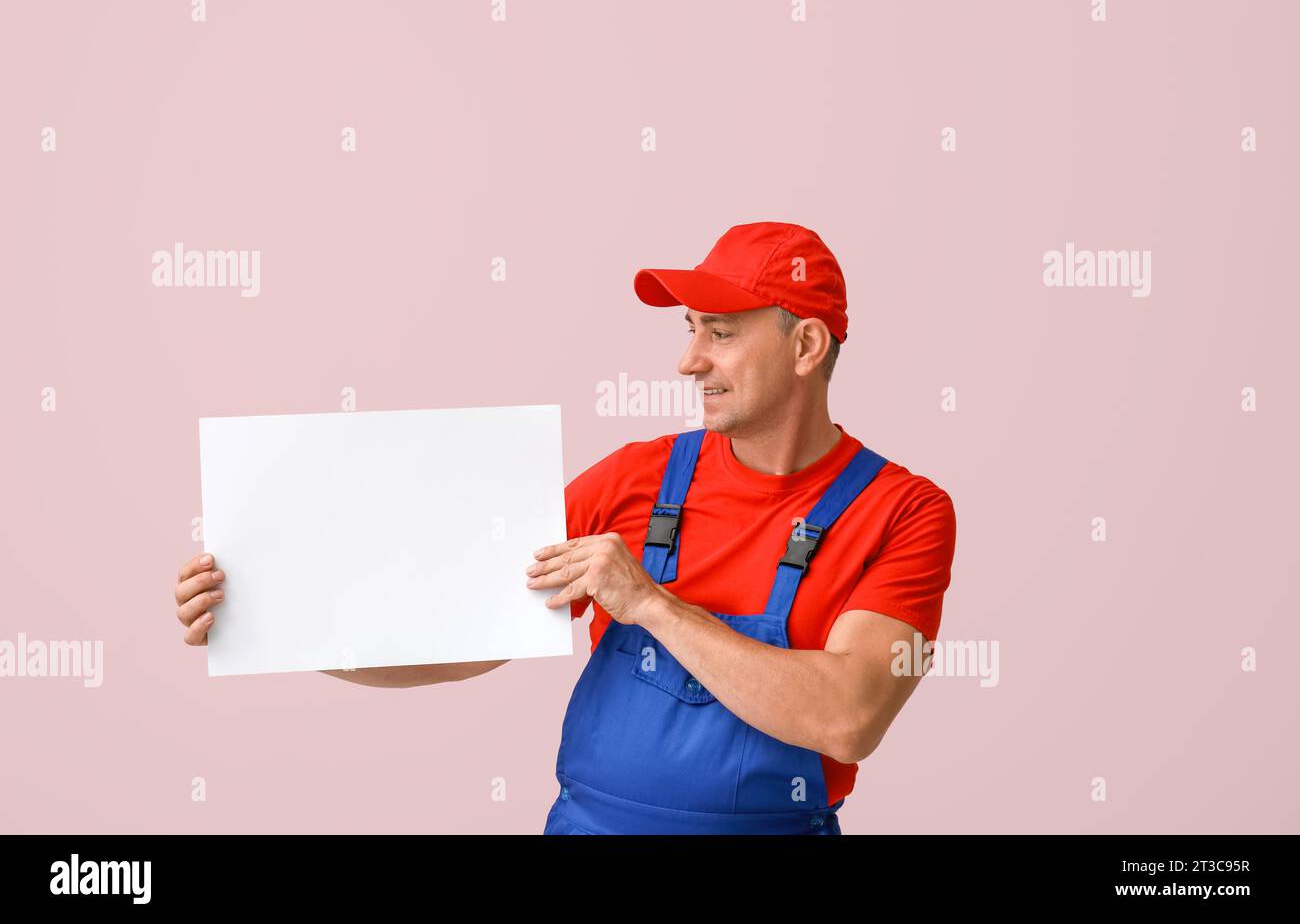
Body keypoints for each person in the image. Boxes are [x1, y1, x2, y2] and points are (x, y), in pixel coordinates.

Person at [173, 221, 957, 835]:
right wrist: (279, 622)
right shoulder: (637, 478)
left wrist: (649, 602)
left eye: (719, 333)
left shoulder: (903, 512)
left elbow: (848, 718)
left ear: (807, 345)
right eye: (688, 330)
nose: (688, 361)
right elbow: (458, 639)